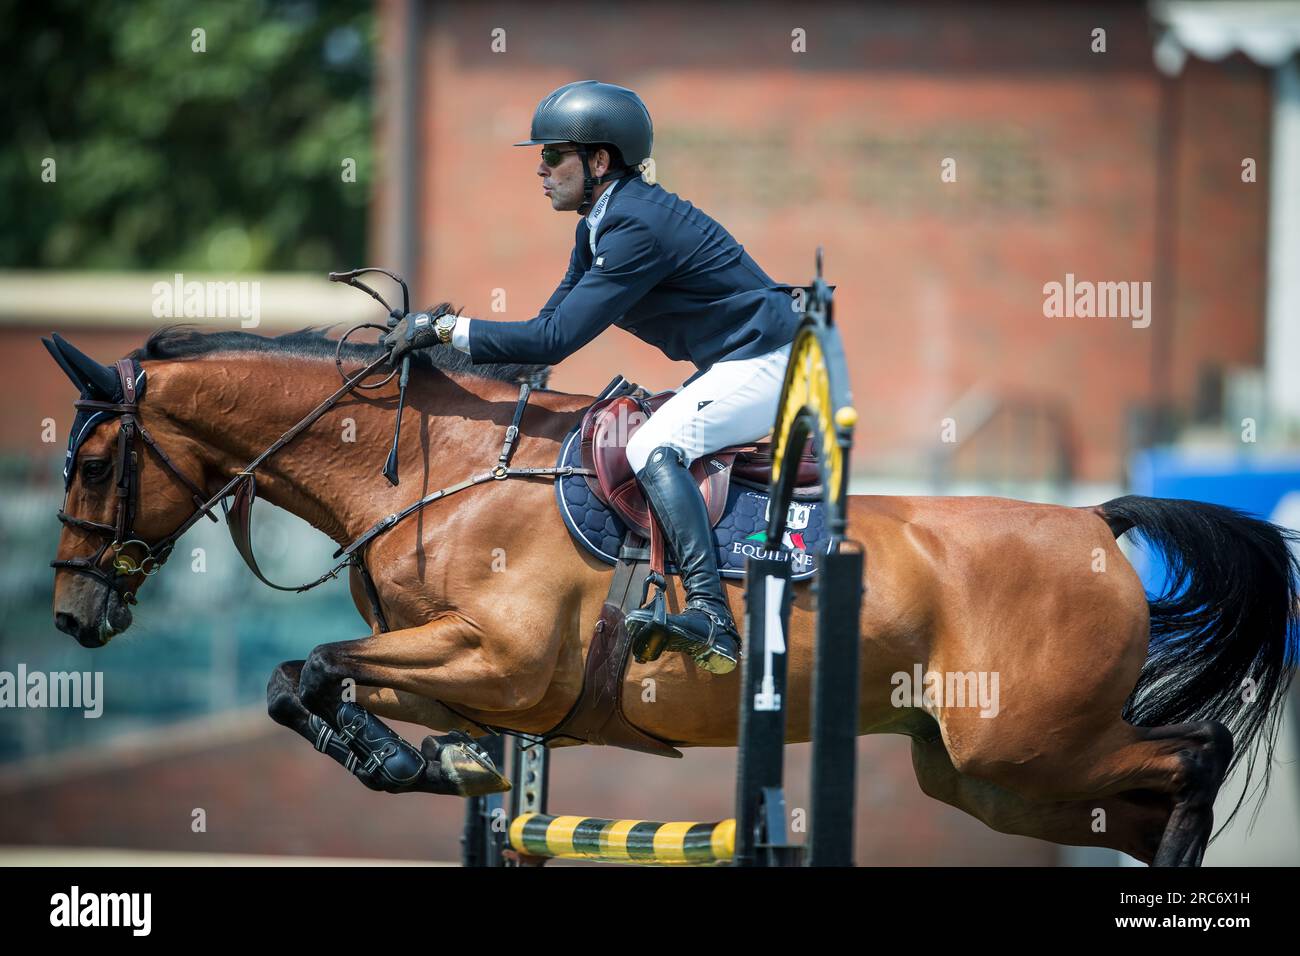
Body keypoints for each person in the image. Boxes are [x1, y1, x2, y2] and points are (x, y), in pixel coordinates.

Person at [385, 80, 799, 675]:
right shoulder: (600, 224)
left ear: (599, 160)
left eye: (553, 154)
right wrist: (448, 360)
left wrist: (445, 329)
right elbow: (545, 328)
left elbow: (554, 340)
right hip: (747, 361)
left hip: (773, 363)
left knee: (652, 444)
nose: (541, 169)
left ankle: (712, 617)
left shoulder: (636, 227)